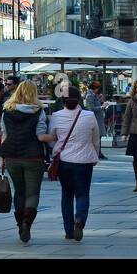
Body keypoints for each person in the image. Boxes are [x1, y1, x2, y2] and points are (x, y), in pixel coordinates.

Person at [45, 86, 101, 242]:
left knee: (67, 195)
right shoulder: (89, 116)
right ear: (79, 100)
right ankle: (80, 220)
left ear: (62, 100)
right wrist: (94, 155)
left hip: (64, 161)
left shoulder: (56, 116)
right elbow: (95, 139)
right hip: (84, 161)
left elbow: (52, 139)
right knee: (82, 193)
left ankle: (68, 230)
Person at [0, 80, 50, 243]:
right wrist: (54, 137)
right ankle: (27, 222)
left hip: (12, 155)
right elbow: (41, 135)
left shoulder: (7, 110)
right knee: (32, 193)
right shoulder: (39, 111)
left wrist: (2, 159)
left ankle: (20, 224)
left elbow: (4, 136)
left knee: (19, 191)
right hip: (34, 156)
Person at [84, 80, 108, 159]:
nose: (98, 90)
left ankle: (98, 152)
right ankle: (97, 153)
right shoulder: (90, 96)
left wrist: (99, 100)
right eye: (97, 88)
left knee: (98, 137)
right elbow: (91, 108)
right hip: (95, 119)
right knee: (97, 137)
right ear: (95, 88)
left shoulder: (93, 95)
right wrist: (102, 107)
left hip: (97, 119)